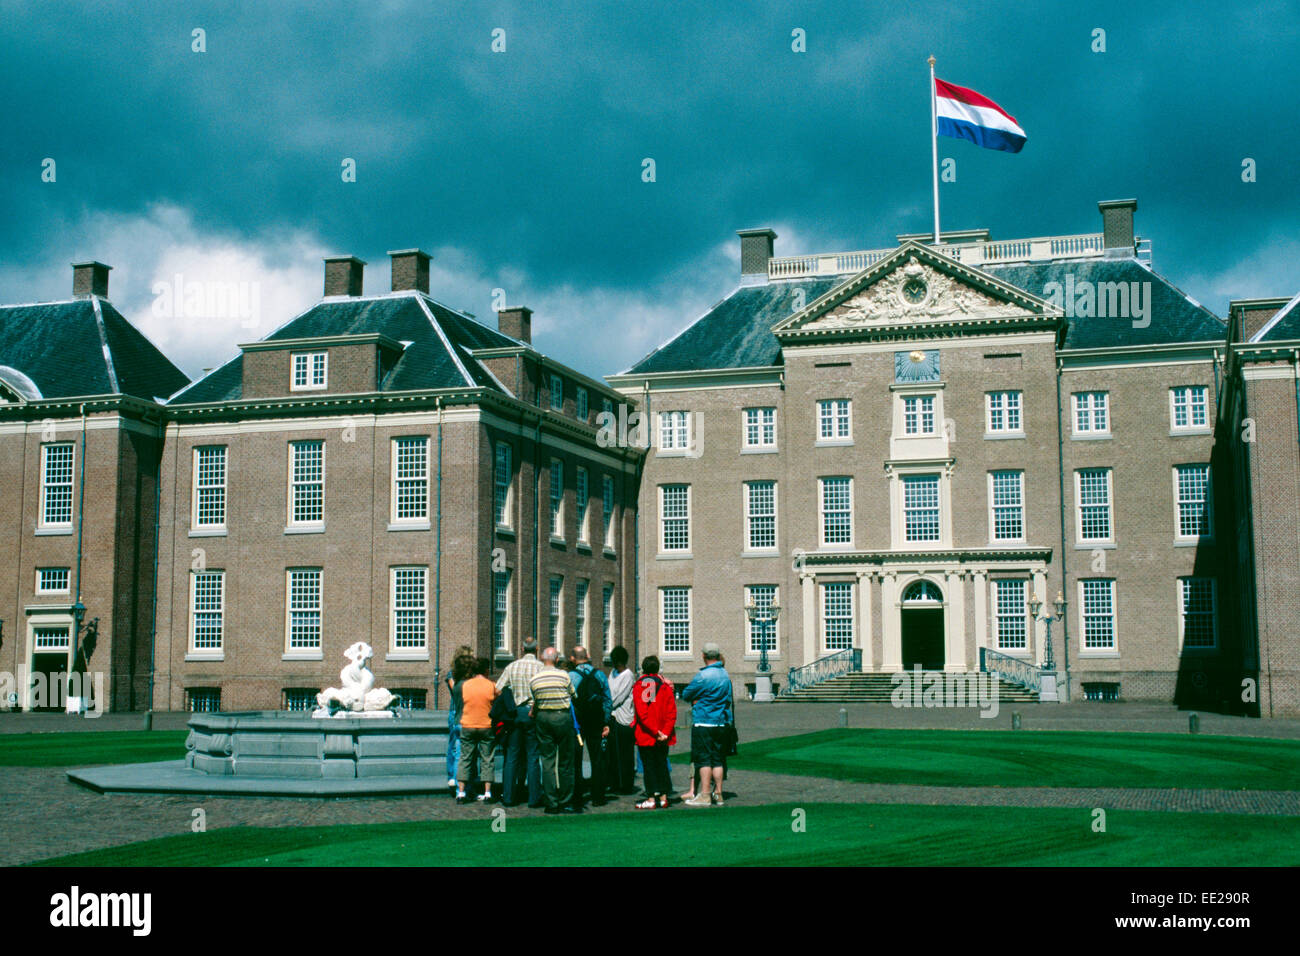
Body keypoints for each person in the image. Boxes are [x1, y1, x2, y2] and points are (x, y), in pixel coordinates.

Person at [680, 643, 733, 806]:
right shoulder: (725, 674)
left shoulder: (702, 676)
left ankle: (704, 794)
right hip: (720, 722)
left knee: (703, 760)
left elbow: (686, 694)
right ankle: (718, 793)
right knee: (718, 759)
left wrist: (699, 700)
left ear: (704, 656)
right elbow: (729, 699)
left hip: (703, 721)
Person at [529, 646, 581, 814]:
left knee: (547, 760)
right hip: (562, 716)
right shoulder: (564, 675)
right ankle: (566, 800)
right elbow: (574, 696)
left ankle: (551, 801)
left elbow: (535, 702)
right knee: (566, 760)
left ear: (543, 659)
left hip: (543, 717)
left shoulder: (535, 679)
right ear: (557, 659)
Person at [496, 638, 544, 807]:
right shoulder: (541, 667)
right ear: (537, 649)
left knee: (512, 757)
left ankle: (508, 796)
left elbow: (498, 689)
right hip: (533, 713)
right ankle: (534, 797)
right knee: (533, 756)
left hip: (516, 714)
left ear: (522, 648)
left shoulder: (511, 666)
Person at [568, 645, 612, 808]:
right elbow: (608, 700)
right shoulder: (600, 675)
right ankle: (598, 796)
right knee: (597, 759)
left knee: (576, 759)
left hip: (577, 722)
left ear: (573, 658)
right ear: (588, 656)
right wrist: (606, 721)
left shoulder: (570, 676)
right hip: (596, 721)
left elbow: (567, 700)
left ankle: (577, 796)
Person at [632, 656, 676, 810]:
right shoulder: (665, 686)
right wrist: (664, 732)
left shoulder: (640, 686)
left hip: (647, 734)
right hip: (663, 733)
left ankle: (651, 797)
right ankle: (664, 797)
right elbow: (672, 712)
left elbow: (642, 713)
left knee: (649, 766)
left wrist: (654, 731)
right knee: (662, 764)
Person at [456, 657, 498, 804]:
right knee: (487, 759)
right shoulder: (492, 685)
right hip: (486, 725)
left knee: (465, 758)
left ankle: (461, 792)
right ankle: (487, 792)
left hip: (468, 724)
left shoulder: (465, 685)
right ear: (486, 670)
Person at [444, 645, 476, 792]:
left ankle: (465, 781)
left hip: (464, 712)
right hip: (456, 711)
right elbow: (456, 689)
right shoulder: (453, 674)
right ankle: (452, 775)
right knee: (454, 746)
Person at [606, 645, 637, 794]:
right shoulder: (612, 674)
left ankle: (626, 784)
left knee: (625, 754)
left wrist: (606, 705)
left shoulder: (628, 675)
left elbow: (618, 697)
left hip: (624, 718)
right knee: (613, 753)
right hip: (613, 718)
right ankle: (614, 782)